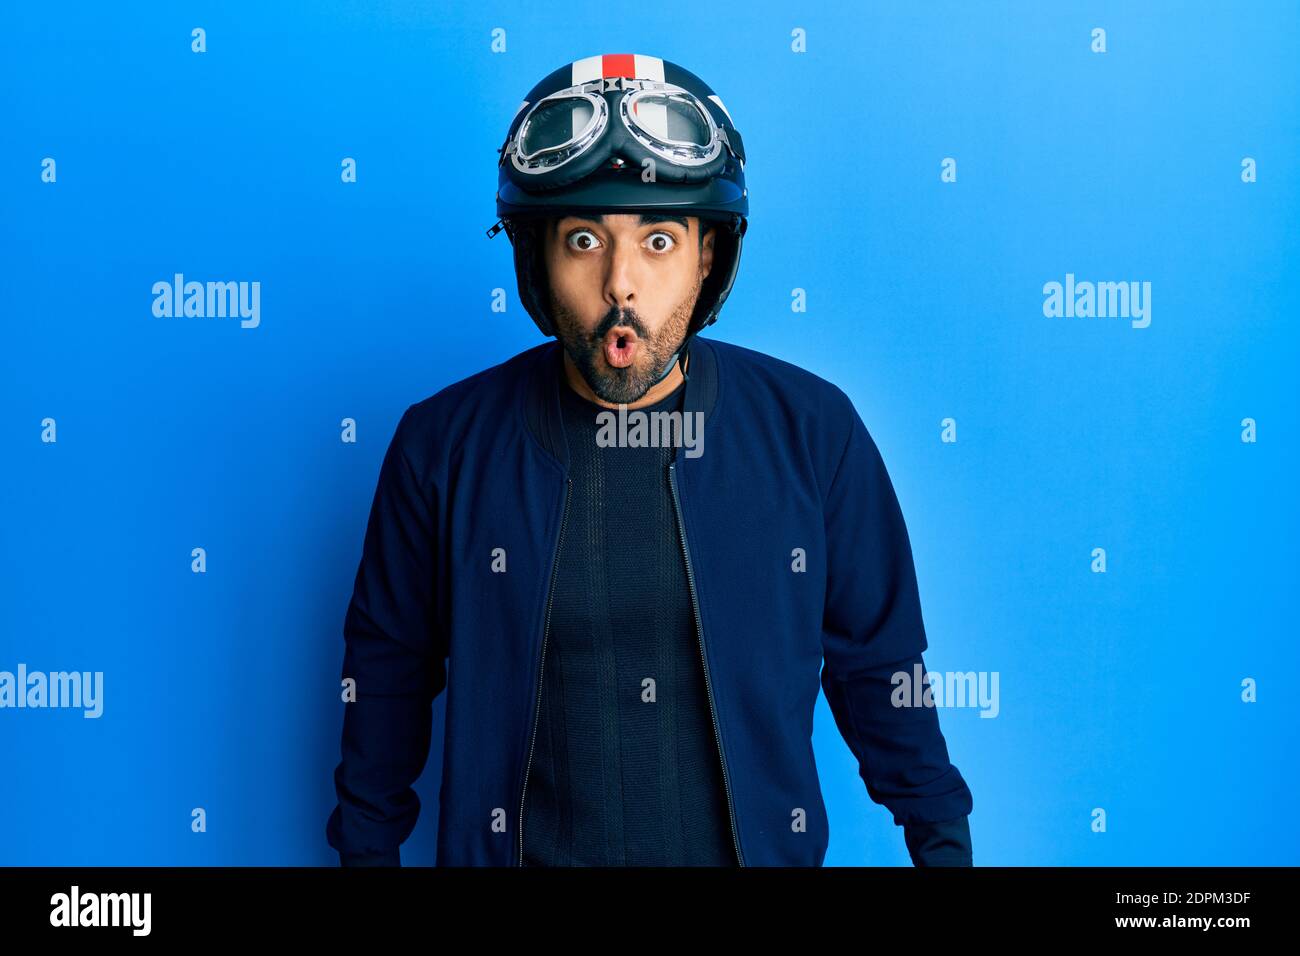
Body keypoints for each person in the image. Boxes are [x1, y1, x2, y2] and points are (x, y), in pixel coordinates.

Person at [325, 52, 973, 866]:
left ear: (709, 257)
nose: (620, 284)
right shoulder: (443, 446)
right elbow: (384, 676)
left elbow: (882, 668)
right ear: (535, 259)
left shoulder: (813, 432)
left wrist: (943, 843)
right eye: (585, 238)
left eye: (659, 240)